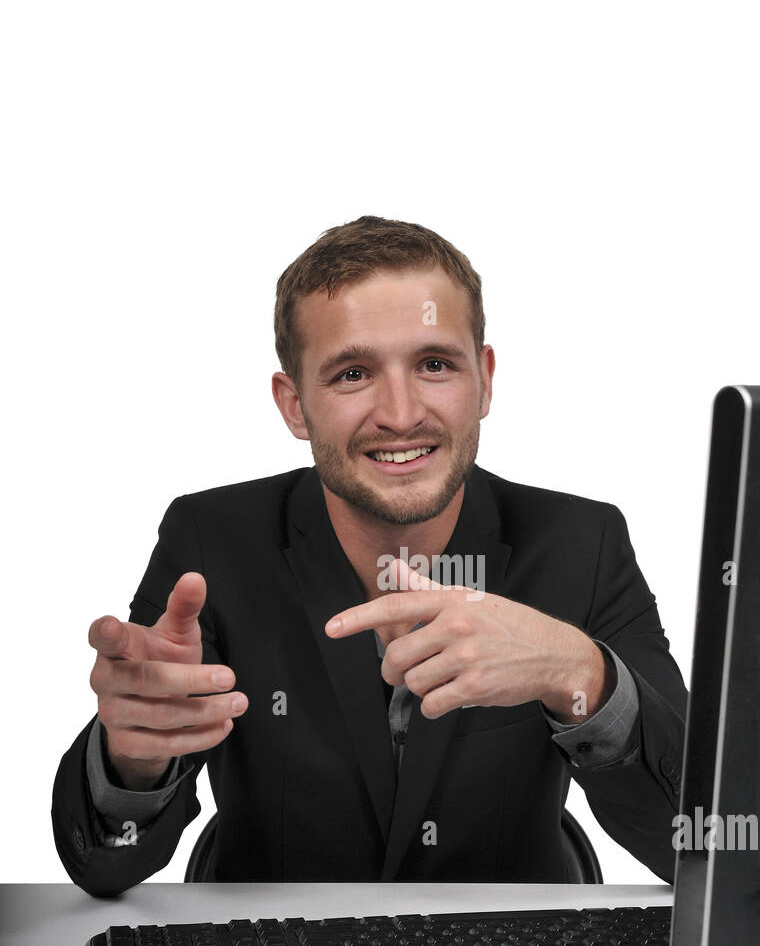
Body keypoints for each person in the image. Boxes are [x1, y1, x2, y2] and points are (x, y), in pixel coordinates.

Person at [52, 215, 687, 897]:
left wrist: (578, 671)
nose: (400, 413)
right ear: (294, 405)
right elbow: (104, 867)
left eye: (434, 365)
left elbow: (702, 845)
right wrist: (134, 761)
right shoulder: (210, 537)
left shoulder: (578, 542)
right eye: (353, 373)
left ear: (485, 380)